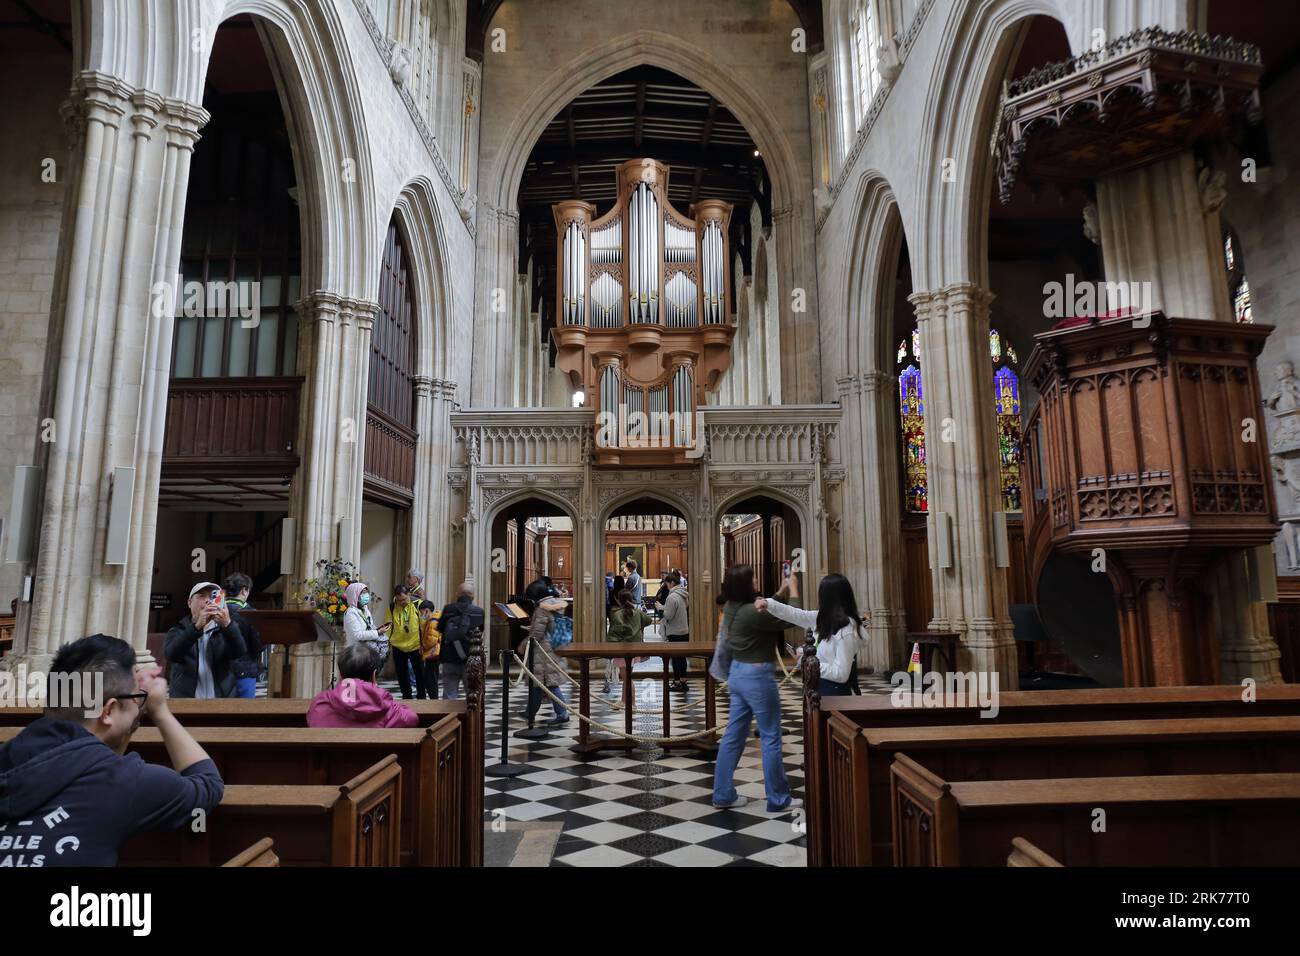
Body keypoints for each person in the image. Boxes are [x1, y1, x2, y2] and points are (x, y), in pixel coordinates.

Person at [0, 634, 224, 866]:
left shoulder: (9, 755)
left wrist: (129, 706)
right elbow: (208, 784)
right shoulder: (124, 780)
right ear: (108, 711)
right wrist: (159, 711)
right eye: (136, 698)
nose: (138, 706)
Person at [711, 564, 802, 814]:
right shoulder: (752, 613)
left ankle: (723, 794)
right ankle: (778, 798)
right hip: (758, 675)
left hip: (738, 673)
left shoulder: (732, 607)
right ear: (744, 585)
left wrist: (781, 590)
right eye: (753, 579)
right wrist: (793, 588)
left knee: (733, 737)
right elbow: (791, 618)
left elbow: (766, 606)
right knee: (771, 736)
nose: (757, 581)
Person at [757, 573, 864, 697]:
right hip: (817, 689)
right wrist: (768, 603)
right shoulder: (823, 618)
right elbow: (794, 614)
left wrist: (809, 661)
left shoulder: (847, 630)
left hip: (835, 695)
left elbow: (841, 674)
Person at [164, 582, 250, 699]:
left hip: (221, 701)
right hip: (187, 701)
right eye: (201, 596)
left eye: (213, 596)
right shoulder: (178, 630)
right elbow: (172, 655)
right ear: (189, 603)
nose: (208, 601)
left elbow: (239, 652)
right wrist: (196, 627)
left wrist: (228, 626)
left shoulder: (224, 631)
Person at [308, 643, 419, 729]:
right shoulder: (387, 706)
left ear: (341, 675)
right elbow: (411, 718)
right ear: (374, 675)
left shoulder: (320, 703)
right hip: (381, 759)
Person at [524, 595, 570, 727]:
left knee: (550, 683)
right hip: (554, 647)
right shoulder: (556, 605)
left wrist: (524, 645)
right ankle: (530, 712)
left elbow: (537, 634)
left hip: (543, 651)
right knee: (539, 683)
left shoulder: (541, 609)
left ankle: (562, 714)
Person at [606, 588, 654, 709]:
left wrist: (609, 650)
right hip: (634, 649)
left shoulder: (617, 615)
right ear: (631, 599)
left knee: (627, 678)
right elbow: (649, 620)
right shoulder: (637, 612)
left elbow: (613, 635)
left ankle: (632, 703)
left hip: (622, 651)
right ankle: (623, 701)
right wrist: (638, 624)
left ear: (618, 600)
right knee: (626, 676)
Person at [436, 581, 484, 700]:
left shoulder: (448, 609)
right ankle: (472, 718)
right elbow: (480, 633)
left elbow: (440, 629)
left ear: (457, 594)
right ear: (472, 596)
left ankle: (450, 718)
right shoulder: (479, 612)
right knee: (472, 693)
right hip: (470, 658)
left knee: (449, 693)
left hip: (449, 657)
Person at [222, 571, 263, 699]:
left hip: (219, 671)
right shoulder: (250, 614)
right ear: (244, 591)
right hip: (244, 670)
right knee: (244, 713)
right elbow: (258, 645)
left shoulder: (216, 610)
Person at [386, 585, 425, 700]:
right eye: (399, 600)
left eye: (404, 599)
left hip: (416, 646)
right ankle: (406, 697)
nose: (402, 602)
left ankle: (421, 697)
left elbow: (423, 626)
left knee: (420, 674)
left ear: (409, 594)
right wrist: (388, 644)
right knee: (402, 674)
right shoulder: (392, 606)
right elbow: (388, 626)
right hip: (398, 646)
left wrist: (424, 644)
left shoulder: (418, 605)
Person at [342, 582, 390, 661]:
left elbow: (369, 626)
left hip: (366, 651)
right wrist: (377, 633)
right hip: (355, 653)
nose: (366, 595)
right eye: (363, 592)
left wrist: (378, 629)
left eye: (367, 592)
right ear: (355, 594)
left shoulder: (365, 609)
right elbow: (357, 635)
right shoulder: (351, 612)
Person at [661, 570, 691, 693]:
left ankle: (677, 682)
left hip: (675, 631)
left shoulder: (672, 596)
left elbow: (668, 615)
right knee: (682, 658)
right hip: (684, 630)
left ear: (672, 583)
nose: (667, 587)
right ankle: (683, 681)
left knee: (676, 658)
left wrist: (661, 608)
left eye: (667, 584)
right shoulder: (683, 594)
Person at [418, 600, 441, 699]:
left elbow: (431, 639)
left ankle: (434, 701)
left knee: (430, 680)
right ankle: (433, 699)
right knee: (431, 679)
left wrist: (423, 646)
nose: (421, 614)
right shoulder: (433, 619)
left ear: (427, 610)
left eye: (421, 612)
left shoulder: (433, 621)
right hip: (433, 654)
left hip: (432, 654)